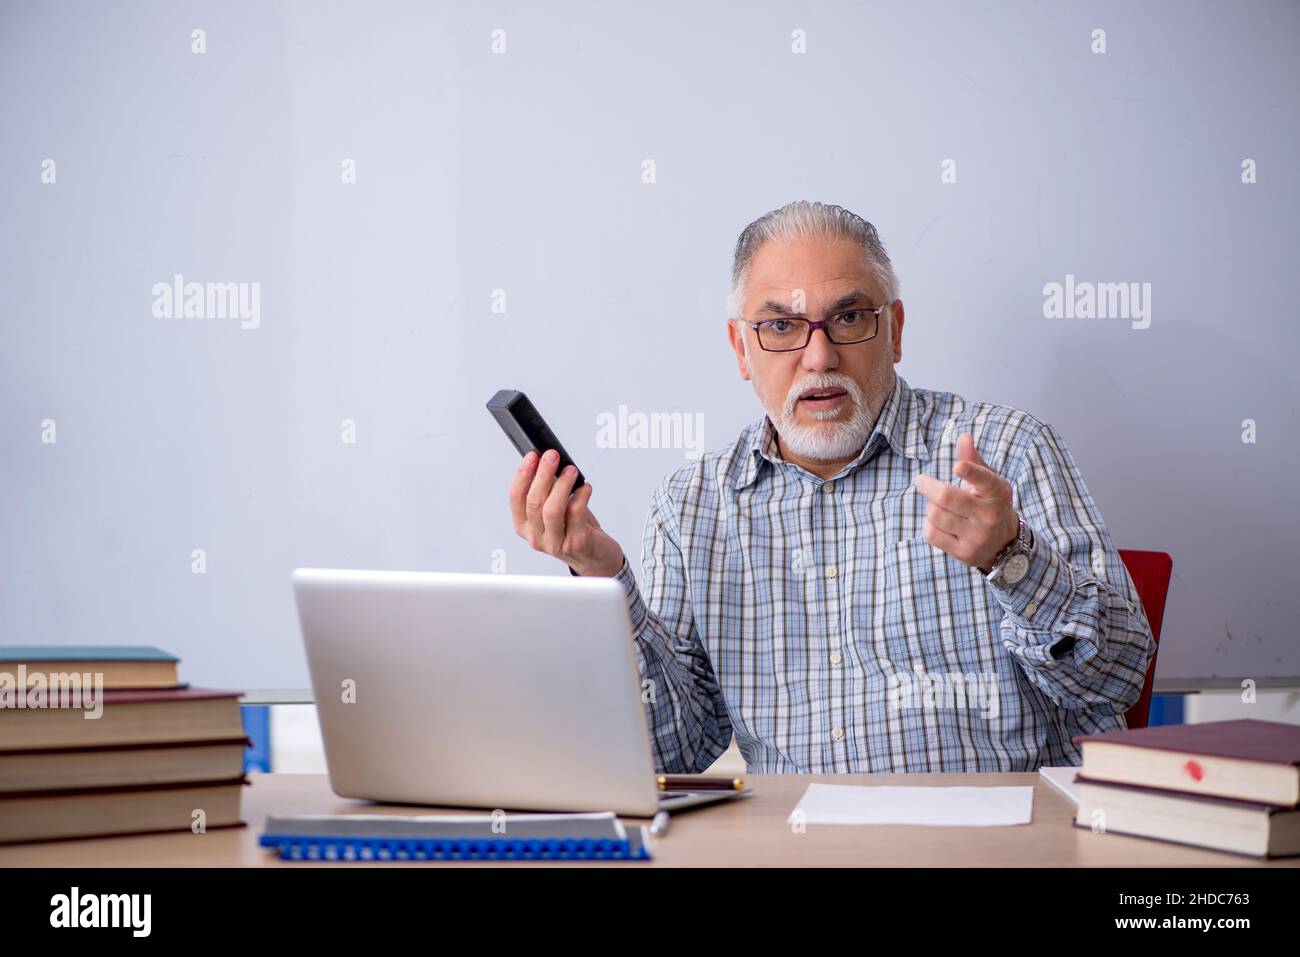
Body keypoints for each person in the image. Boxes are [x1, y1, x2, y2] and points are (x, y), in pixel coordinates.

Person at [507, 200, 1155, 774]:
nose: (819, 357)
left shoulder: (1006, 451)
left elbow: (1116, 681)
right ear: (740, 348)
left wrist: (1011, 558)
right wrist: (599, 575)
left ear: (894, 330)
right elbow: (677, 749)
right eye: (782, 327)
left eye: (848, 318)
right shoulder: (691, 506)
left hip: (1002, 844)